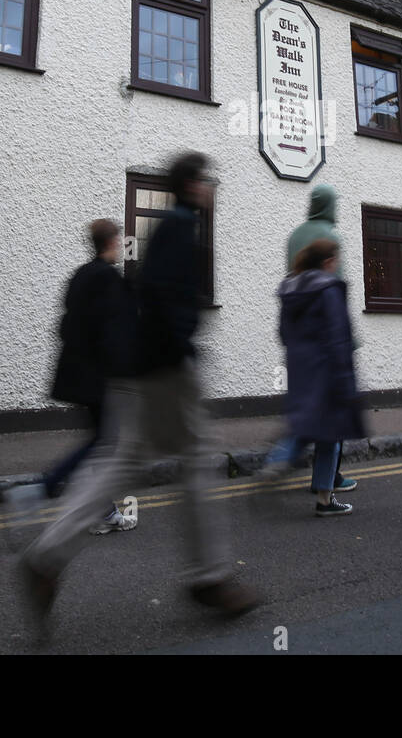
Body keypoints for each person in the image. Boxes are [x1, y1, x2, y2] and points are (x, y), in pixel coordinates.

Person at [17, 153, 257, 640]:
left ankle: (44, 558)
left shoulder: (169, 227)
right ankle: (209, 577)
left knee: (125, 463)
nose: (212, 190)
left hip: (146, 369)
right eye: (206, 182)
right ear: (191, 185)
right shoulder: (178, 227)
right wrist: (183, 350)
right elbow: (163, 296)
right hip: (167, 369)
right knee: (199, 459)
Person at [3, 219, 136, 541]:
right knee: (103, 444)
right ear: (110, 243)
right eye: (118, 241)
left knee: (100, 443)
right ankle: (44, 489)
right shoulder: (107, 277)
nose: (121, 246)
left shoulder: (80, 275)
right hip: (100, 376)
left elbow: (65, 325)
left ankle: (102, 511)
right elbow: (113, 333)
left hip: (78, 374)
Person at [261, 185, 358, 492]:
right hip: (326, 341)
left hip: (299, 345)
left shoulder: (294, 235)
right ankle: (329, 482)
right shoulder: (331, 239)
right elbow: (335, 292)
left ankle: (281, 459)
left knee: (305, 413)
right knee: (332, 414)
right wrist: (347, 342)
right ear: (329, 205)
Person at [275, 238, 366, 515]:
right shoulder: (328, 289)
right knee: (331, 434)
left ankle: (275, 464)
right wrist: (345, 380)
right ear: (328, 262)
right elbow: (339, 337)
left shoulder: (290, 289)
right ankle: (324, 500)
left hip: (300, 369)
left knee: (303, 427)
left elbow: (283, 335)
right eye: (335, 261)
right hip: (327, 370)